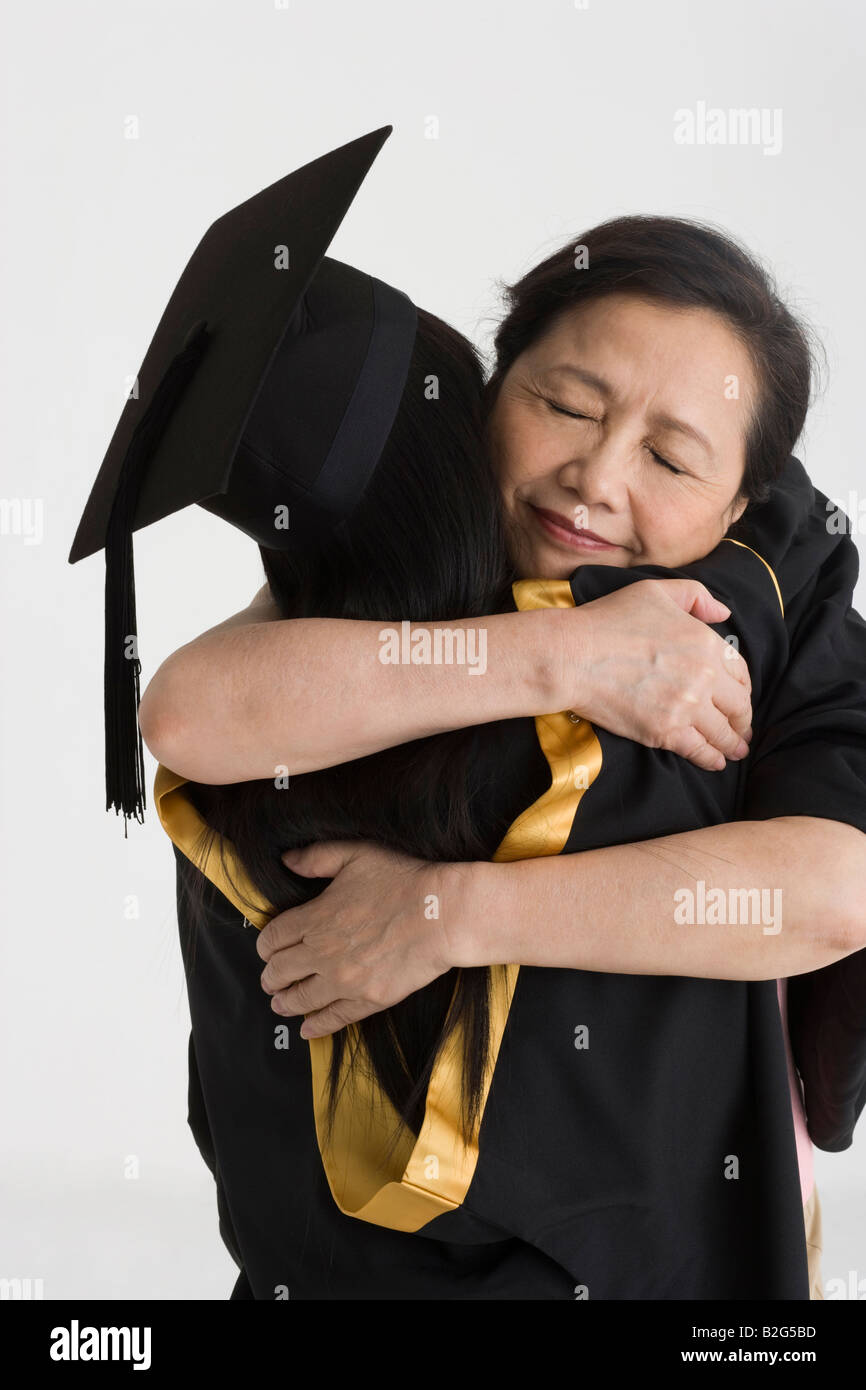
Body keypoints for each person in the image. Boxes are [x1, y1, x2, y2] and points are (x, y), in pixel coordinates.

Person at [148, 224, 866, 1298]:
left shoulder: (769, 609)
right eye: (565, 404)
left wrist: (450, 913)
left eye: (669, 458)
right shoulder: (416, 551)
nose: (593, 477)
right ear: (493, 386)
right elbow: (194, 711)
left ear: (737, 506)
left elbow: (832, 889)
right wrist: (559, 655)